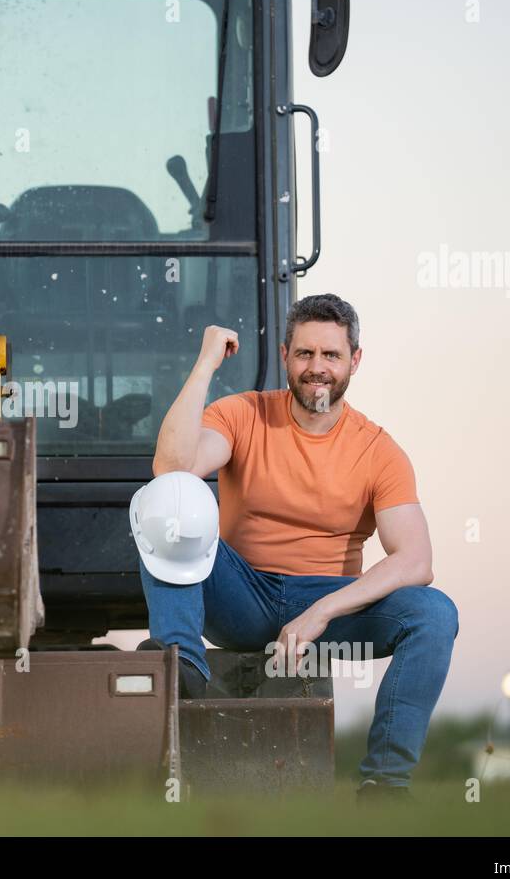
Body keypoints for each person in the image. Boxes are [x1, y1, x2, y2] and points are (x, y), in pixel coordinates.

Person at [135, 293, 459, 802]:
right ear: (285, 355)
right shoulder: (244, 413)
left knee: (434, 615)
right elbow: (171, 470)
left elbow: (416, 560)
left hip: (329, 611)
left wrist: (321, 612)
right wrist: (204, 365)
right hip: (241, 595)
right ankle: (184, 666)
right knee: (169, 498)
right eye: (305, 354)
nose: (317, 369)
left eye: (331, 355)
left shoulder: (379, 451)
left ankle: (384, 784)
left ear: (355, 361)